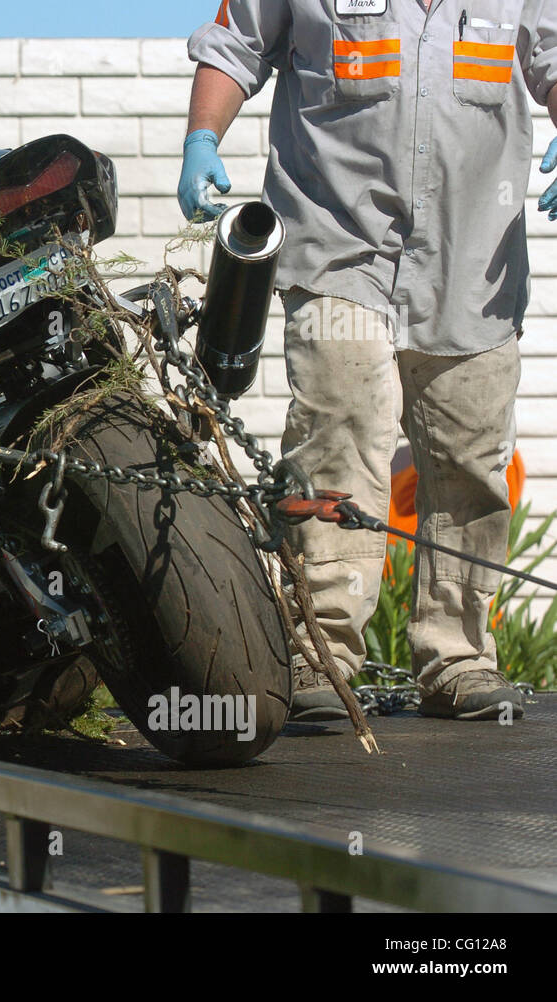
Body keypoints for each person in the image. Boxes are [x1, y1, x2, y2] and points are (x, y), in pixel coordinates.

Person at [177, 1, 557, 721]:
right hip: (336, 247)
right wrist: (203, 138)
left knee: (470, 461)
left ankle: (460, 659)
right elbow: (232, 48)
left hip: (472, 266)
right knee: (338, 437)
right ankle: (322, 655)